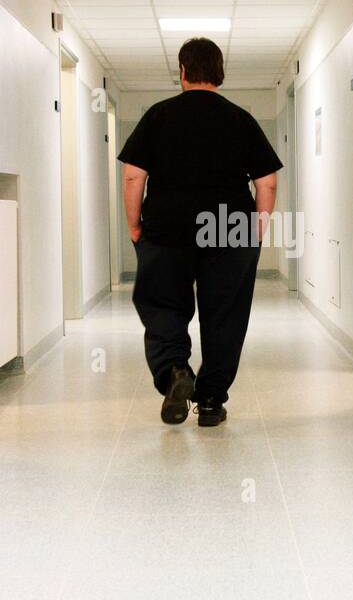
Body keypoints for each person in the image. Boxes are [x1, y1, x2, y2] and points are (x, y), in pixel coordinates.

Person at [117, 37, 282, 428]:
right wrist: (257, 227)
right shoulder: (240, 118)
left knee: (163, 306)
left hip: (166, 227)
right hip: (230, 228)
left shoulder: (158, 115)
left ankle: (175, 370)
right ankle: (210, 402)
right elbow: (267, 182)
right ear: (220, 72)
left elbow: (132, 175)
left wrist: (134, 224)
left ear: (183, 71)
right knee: (225, 313)